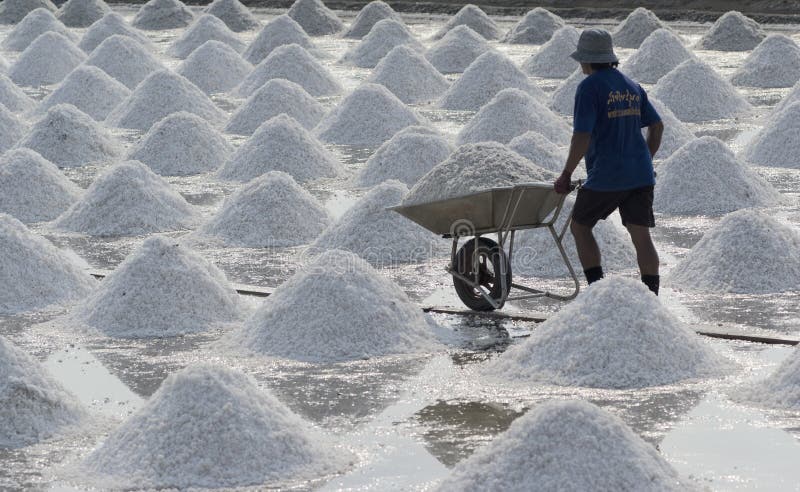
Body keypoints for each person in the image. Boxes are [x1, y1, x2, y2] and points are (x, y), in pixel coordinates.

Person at [553, 28, 664, 295]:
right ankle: (651, 297)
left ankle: (596, 291)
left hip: (607, 175)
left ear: (587, 59)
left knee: (580, 226)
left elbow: (582, 135)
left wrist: (566, 173)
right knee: (641, 235)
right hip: (640, 176)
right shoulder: (632, 86)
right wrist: (644, 160)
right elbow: (657, 126)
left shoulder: (589, 87)